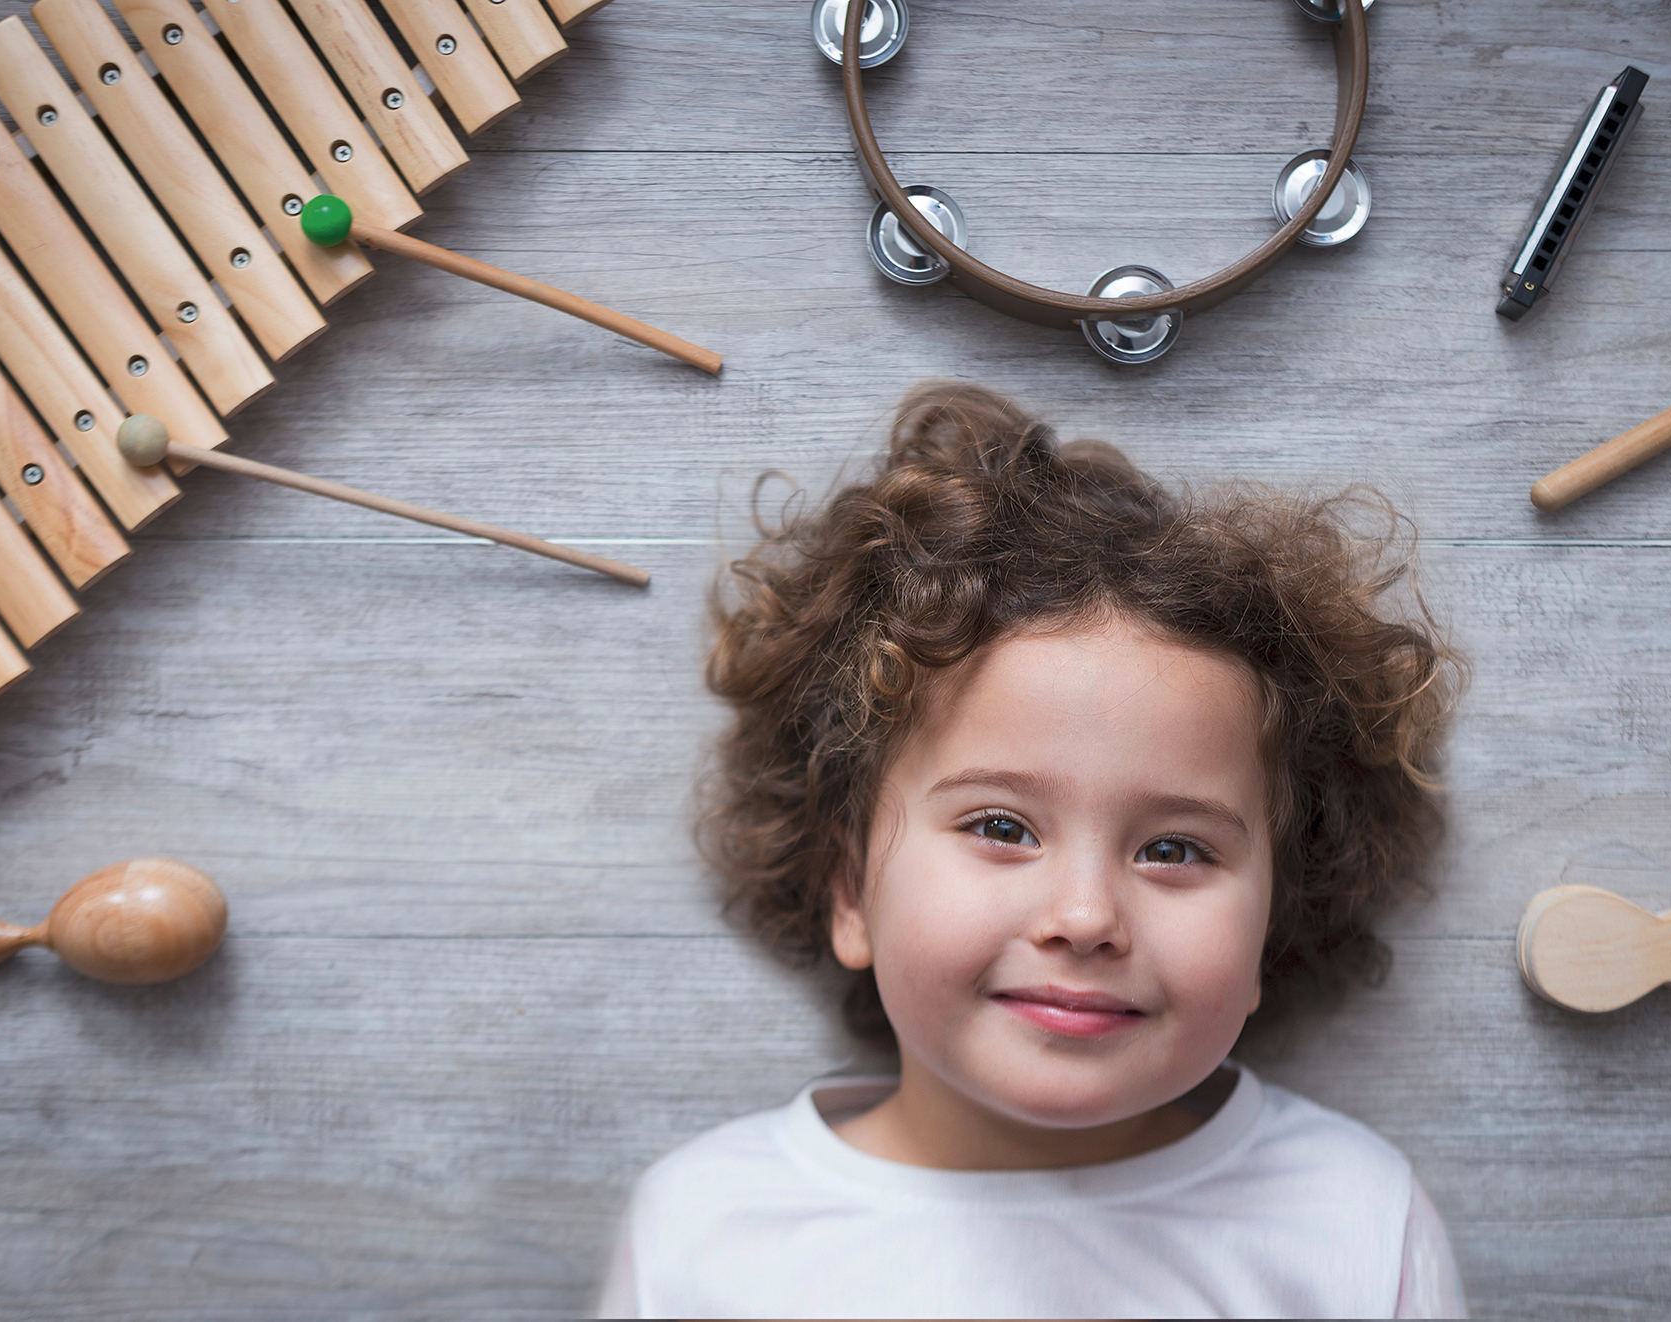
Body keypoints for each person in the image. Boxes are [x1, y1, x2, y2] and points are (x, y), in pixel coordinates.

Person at [598, 382, 1468, 1318]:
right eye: (1001, 828)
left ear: (1271, 919)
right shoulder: (703, 1235)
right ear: (850, 889)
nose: (1086, 918)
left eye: (1175, 849)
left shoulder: (1354, 1228)